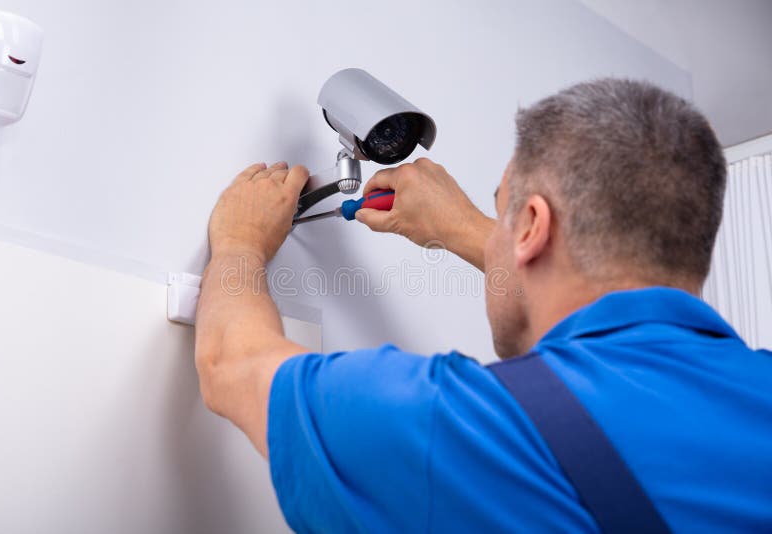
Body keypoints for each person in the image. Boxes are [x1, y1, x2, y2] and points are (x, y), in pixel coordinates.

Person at [195, 78, 772, 532]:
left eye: (504, 215)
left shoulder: (464, 429)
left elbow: (229, 363)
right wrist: (468, 229)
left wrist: (242, 241)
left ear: (532, 228)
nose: (490, 230)